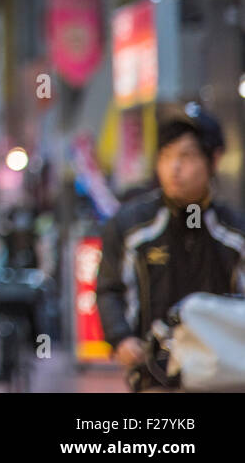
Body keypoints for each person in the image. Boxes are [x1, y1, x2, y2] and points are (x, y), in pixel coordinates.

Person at [96, 104, 245, 389]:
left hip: (226, 377)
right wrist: (121, 338)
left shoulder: (235, 233)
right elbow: (109, 289)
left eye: (186, 156)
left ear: (214, 159)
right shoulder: (131, 227)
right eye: (166, 156)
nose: (174, 168)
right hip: (154, 375)